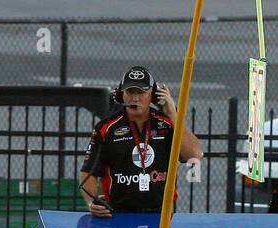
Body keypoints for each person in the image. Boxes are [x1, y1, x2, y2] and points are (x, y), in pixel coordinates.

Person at [80, 66, 203, 216]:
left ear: (153, 95)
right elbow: (88, 172)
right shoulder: (106, 128)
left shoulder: (168, 123)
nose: (135, 98)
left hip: (162, 214)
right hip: (117, 214)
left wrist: (173, 114)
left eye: (141, 92)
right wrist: (91, 202)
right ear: (121, 94)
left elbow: (194, 155)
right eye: (130, 92)